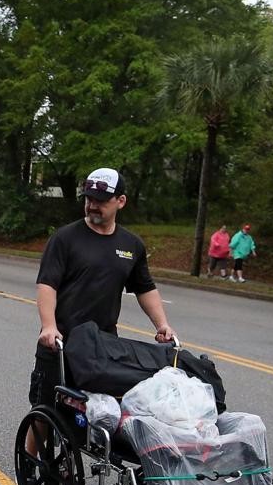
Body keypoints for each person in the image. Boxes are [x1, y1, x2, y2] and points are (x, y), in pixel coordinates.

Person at [27, 168, 174, 451]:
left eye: (101, 200)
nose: (92, 205)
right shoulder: (65, 238)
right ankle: (31, 462)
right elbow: (47, 285)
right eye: (89, 198)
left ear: (121, 201)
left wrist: (161, 325)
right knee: (46, 409)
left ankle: (74, 467)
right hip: (60, 341)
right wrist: (48, 325)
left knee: (98, 412)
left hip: (102, 347)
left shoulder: (131, 245)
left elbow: (144, 288)